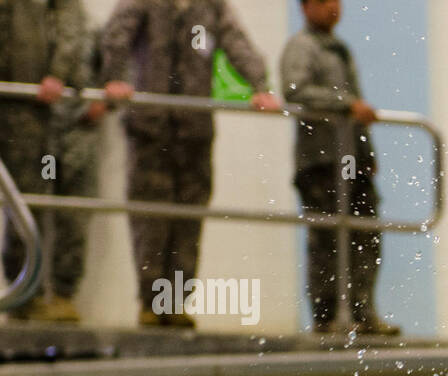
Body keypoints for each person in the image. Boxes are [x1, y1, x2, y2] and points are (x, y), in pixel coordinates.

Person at [101, 0, 281, 329]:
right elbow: (116, 33)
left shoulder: (212, 5)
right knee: (150, 217)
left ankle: (175, 303)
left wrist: (259, 86)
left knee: (189, 218)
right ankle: (151, 302)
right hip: (150, 128)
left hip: (194, 131)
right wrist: (113, 77)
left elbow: (236, 41)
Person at [282, 0, 398, 336]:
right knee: (326, 239)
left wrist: (366, 153)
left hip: (350, 160)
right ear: (305, 8)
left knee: (366, 234)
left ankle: (363, 313)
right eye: (323, 1)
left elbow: (356, 106)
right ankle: (325, 316)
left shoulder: (340, 49)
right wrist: (345, 104)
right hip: (320, 161)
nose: (333, 7)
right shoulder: (301, 48)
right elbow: (295, 90)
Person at [0, 0, 90, 323]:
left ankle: (25, 297)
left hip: (27, 106)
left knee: (27, 201)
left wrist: (58, 73)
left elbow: (70, 25)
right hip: (15, 96)